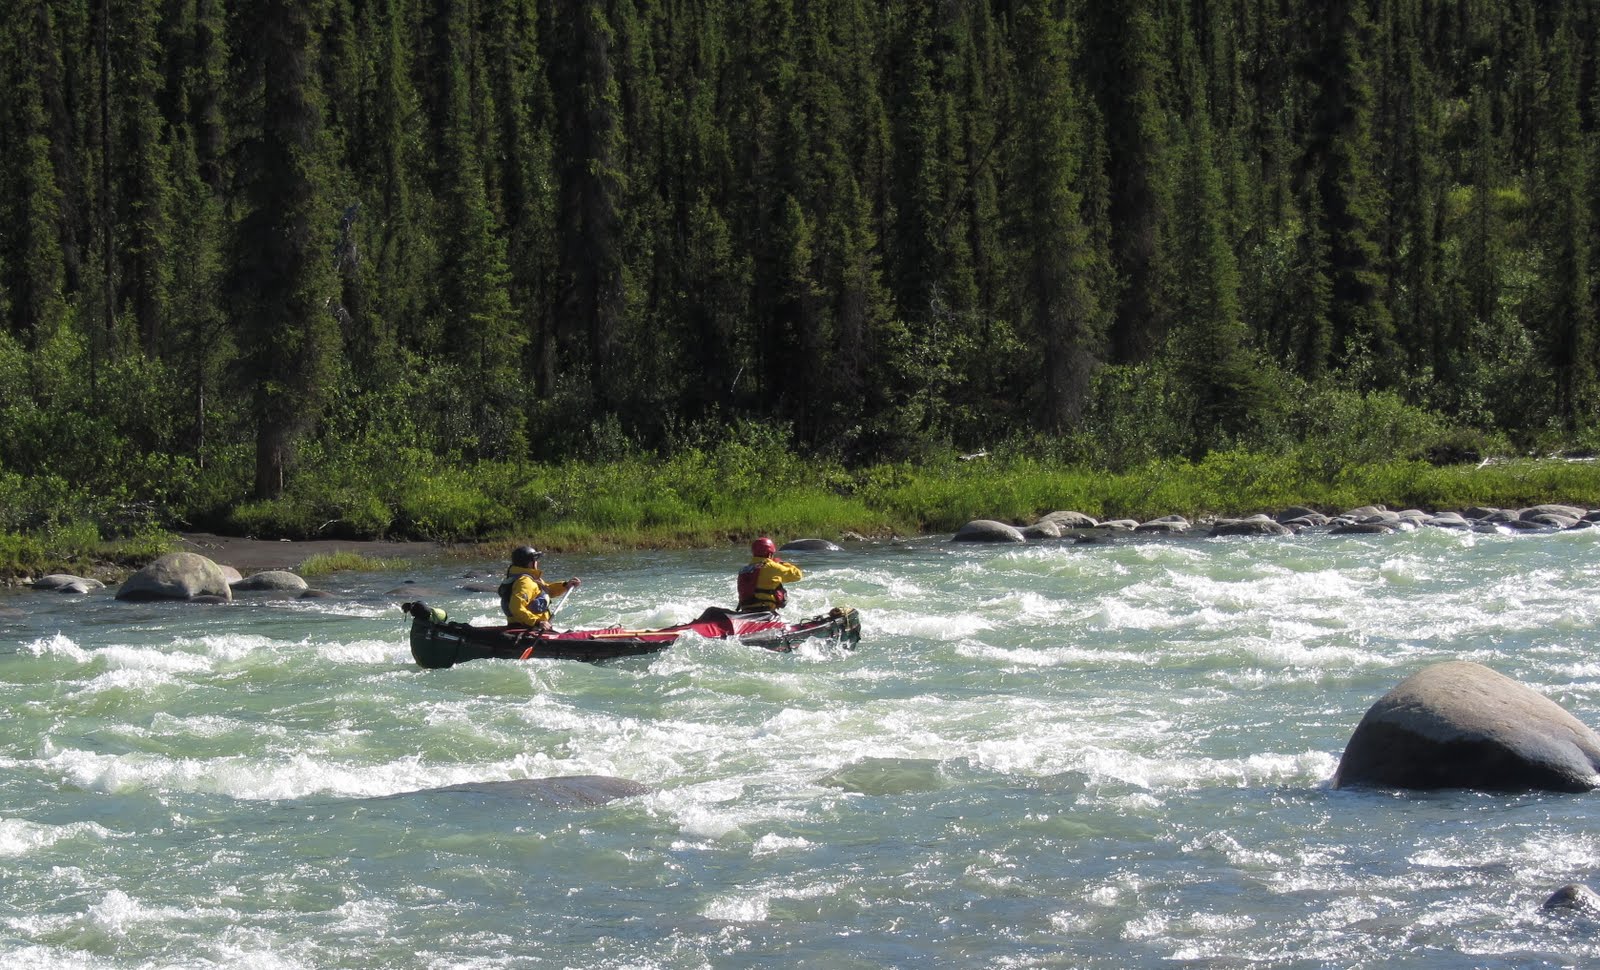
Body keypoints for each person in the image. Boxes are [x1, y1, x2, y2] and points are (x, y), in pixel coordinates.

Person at [498, 545, 580, 630]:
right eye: (535, 560)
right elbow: (516, 608)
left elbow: (548, 590)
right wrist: (537, 622)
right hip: (529, 627)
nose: (537, 562)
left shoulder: (529, 577)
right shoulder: (525, 582)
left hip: (530, 626)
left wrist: (566, 586)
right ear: (530, 563)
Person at [736, 537, 802, 613]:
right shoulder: (771, 566)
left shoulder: (744, 569)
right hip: (765, 610)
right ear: (770, 554)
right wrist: (781, 563)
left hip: (745, 610)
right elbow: (798, 575)